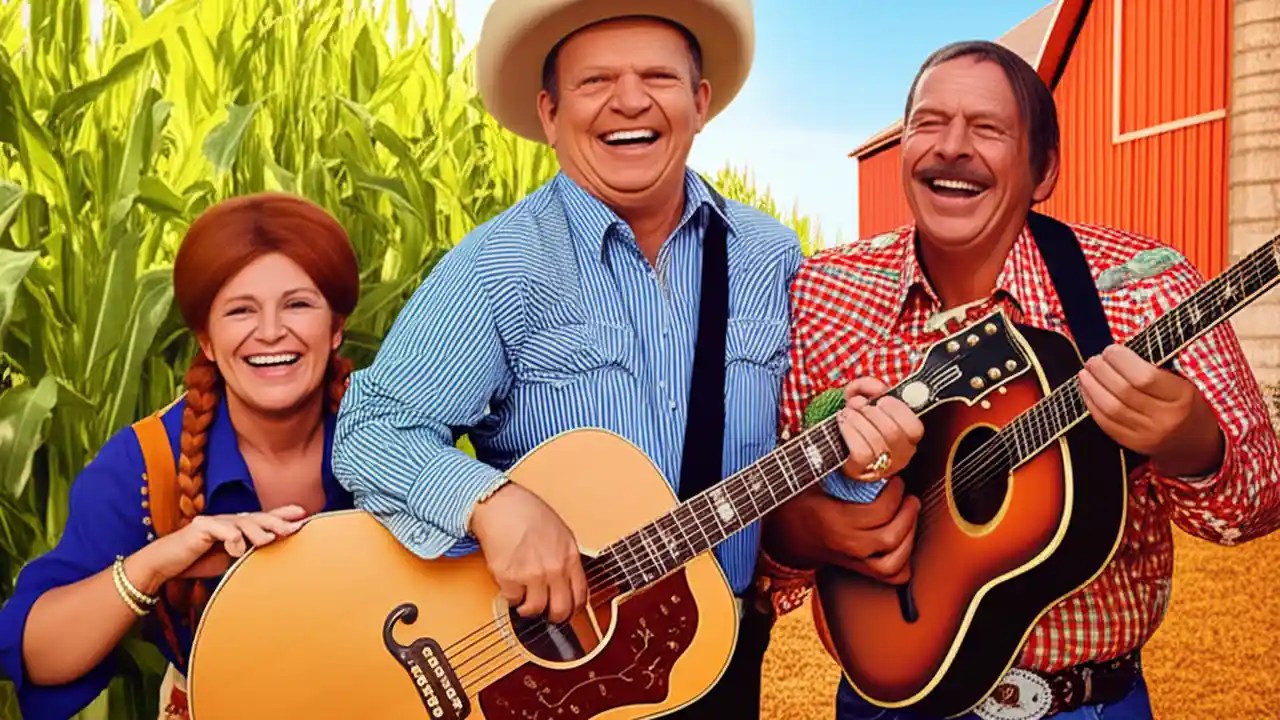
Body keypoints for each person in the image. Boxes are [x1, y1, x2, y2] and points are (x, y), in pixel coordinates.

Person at [331, 0, 884, 715]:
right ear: (550, 113)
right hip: (557, 670)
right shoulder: (499, 266)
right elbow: (372, 428)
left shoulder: (767, 256)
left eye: (658, 75)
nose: (630, 100)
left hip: (722, 657)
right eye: (596, 82)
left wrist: (860, 446)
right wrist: (492, 504)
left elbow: (792, 445)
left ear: (699, 102)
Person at [756, 40, 1280, 720]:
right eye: (929, 122)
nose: (951, 147)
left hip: (1085, 705)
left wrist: (1192, 444)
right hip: (887, 692)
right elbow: (766, 528)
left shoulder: (1144, 288)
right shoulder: (827, 293)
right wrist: (803, 531)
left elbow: (1258, 507)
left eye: (988, 128)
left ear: (1043, 171)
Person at [0, 192, 362, 720]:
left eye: (298, 304)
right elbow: (37, 655)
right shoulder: (147, 467)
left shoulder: (397, 431)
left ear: (336, 327)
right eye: (240, 310)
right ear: (207, 340)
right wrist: (156, 563)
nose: (269, 331)